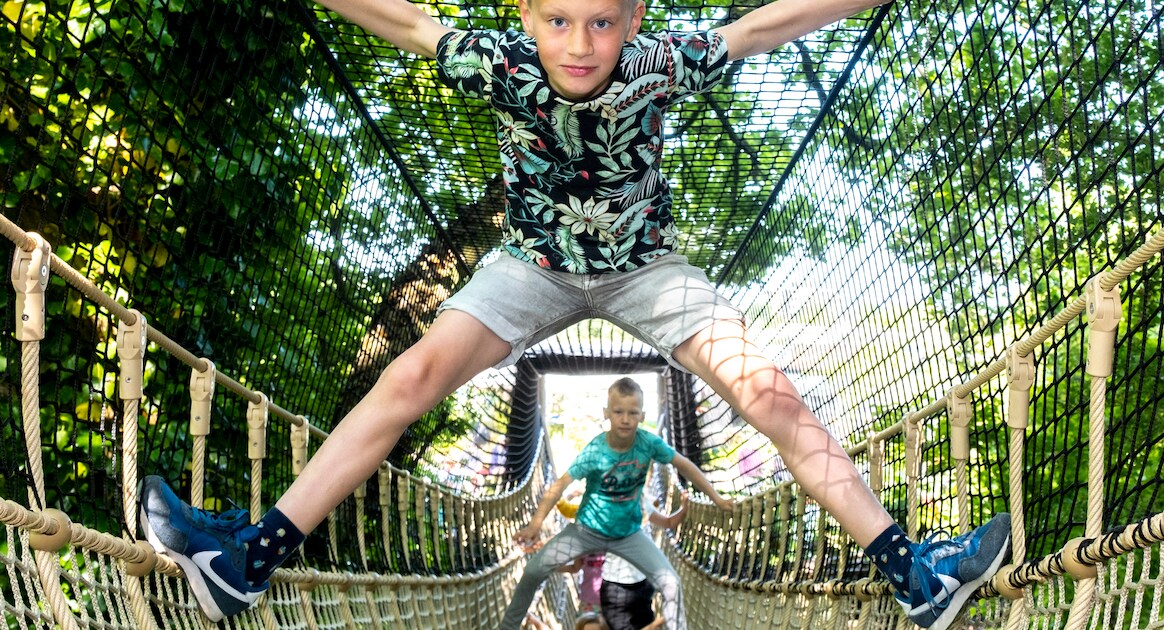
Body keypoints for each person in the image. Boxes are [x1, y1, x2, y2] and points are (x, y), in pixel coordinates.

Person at [139, 1, 1011, 629]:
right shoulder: (503, 64)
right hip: (531, 268)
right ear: (526, 17)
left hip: (648, 269)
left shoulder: (658, 63)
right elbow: (407, 22)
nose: (580, 44)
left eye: (601, 22)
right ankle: (249, 561)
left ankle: (915, 576)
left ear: (633, 19)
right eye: (559, 21)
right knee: (409, 376)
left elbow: (763, 26)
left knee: (772, 395)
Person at [502, 378, 725, 629]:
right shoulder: (596, 451)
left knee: (672, 583)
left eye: (632, 412)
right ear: (606, 413)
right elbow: (560, 485)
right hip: (585, 532)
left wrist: (714, 496)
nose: (625, 419)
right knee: (533, 571)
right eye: (618, 412)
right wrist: (535, 524)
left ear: (642, 415)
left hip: (628, 536)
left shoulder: (648, 444)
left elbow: (683, 464)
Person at [601, 492, 686, 630]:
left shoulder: (640, 501)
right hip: (618, 586)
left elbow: (669, 522)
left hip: (641, 584)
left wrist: (684, 507)